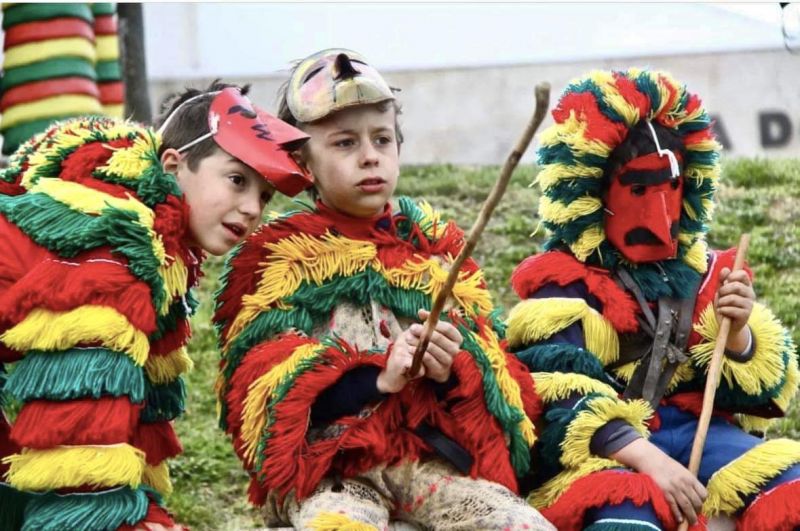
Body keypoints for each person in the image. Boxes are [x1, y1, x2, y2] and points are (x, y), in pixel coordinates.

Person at [213, 48, 554, 530]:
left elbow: (500, 383)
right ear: (304, 164)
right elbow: (258, 396)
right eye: (344, 143)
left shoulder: (436, 249)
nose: (370, 155)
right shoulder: (279, 259)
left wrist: (453, 365)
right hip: (330, 473)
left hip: (427, 464)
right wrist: (377, 377)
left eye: (382, 139)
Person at [0, 81, 312, 530]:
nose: (250, 209)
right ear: (172, 165)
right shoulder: (115, 246)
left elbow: (124, 408)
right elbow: (78, 421)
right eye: (237, 180)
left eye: (264, 196)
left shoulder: (155, 245)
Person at [507, 68, 800, 530]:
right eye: (640, 189)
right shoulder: (562, 286)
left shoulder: (705, 275)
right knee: (628, 510)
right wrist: (649, 461)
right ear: (591, 192)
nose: (660, 210)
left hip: (694, 433)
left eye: (671, 188)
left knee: (793, 490)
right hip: (607, 451)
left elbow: (767, 392)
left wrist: (739, 332)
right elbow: (556, 394)